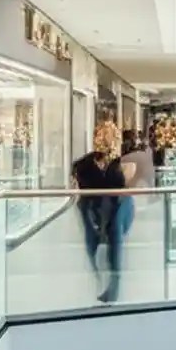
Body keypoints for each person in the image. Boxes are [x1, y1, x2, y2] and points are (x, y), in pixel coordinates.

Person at [72, 121, 135, 302]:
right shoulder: (84, 165)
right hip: (94, 208)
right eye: (105, 136)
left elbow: (124, 189)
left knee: (113, 241)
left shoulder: (118, 164)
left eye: (111, 137)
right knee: (96, 243)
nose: (108, 141)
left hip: (114, 207)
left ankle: (111, 288)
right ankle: (99, 283)